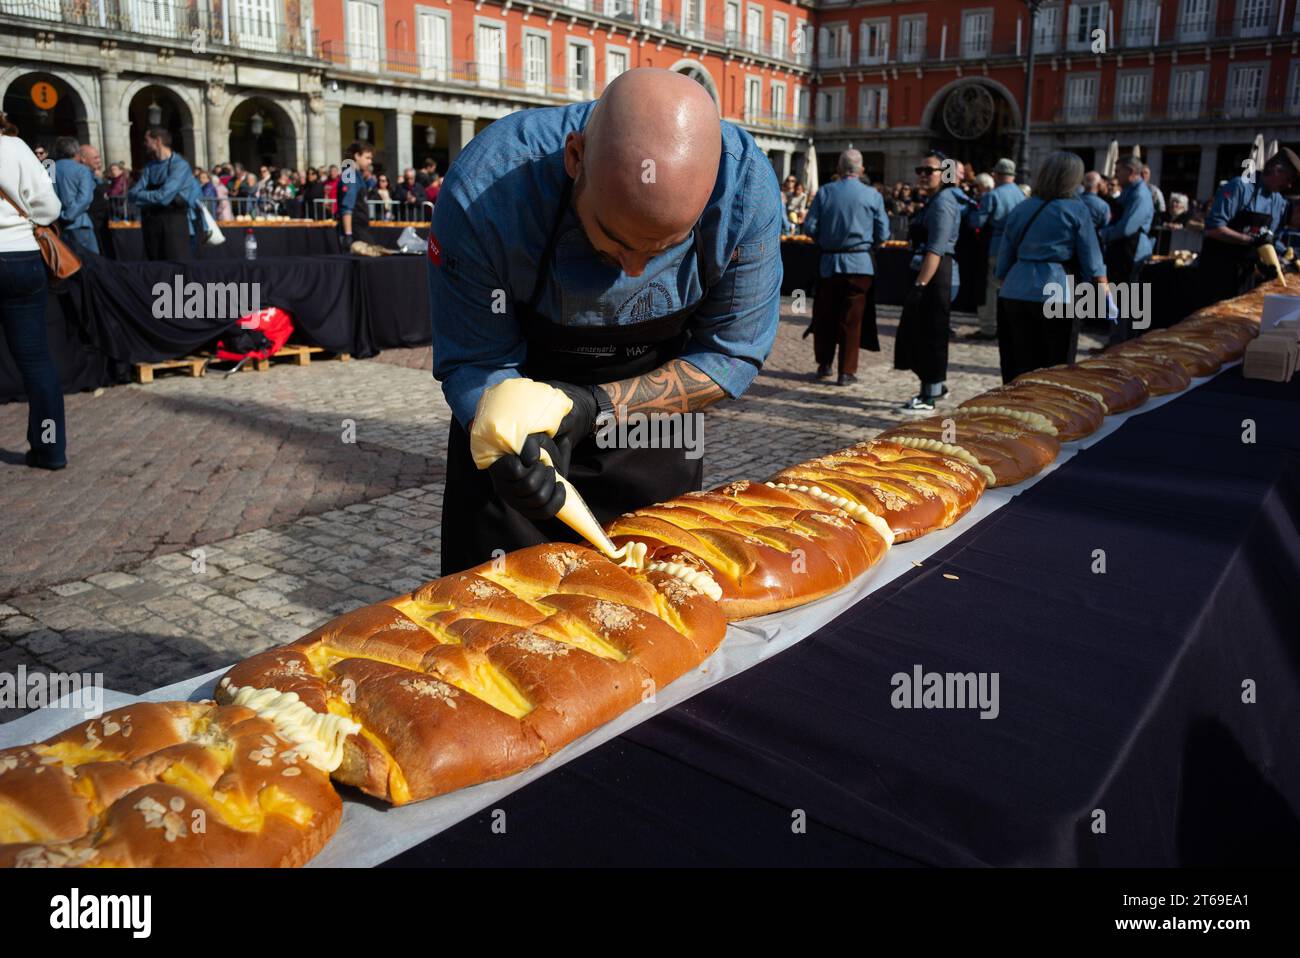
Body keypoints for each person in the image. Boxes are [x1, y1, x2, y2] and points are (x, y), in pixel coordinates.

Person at [429, 67, 781, 575]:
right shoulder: (487, 191)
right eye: (614, 239)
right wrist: (508, 443)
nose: (632, 271)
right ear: (576, 158)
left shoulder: (746, 192)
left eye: (665, 247)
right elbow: (477, 358)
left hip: (651, 439)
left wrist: (596, 407)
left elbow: (731, 354)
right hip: (523, 437)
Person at [994, 151, 1108, 382]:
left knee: (1017, 360)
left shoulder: (1022, 207)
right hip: (1057, 289)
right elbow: (1091, 257)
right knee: (1055, 366)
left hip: (1016, 288)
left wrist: (1004, 278)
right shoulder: (1076, 210)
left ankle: (1015, 407)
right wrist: (1101, 286)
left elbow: (1005, 253)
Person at [0, 112, 66, 469]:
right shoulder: (15, 147)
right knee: (37, 362)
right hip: (20, 257)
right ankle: (50, 448)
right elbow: (50, 206)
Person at [802, 149, 890, 386]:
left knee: (825, 315)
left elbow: (809, 227)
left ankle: (824, 364)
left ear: (839, 170)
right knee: (852, 320)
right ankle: (846, 371)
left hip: (830, 263)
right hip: (860, 264)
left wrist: (825, 240)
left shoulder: (825, 192)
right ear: (862, 170)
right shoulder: (873, 195)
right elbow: (884, 232)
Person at [894, 150, 963, 412]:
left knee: (931, 333)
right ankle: (934, 386)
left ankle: (928, 395)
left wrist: (920, 285)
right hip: (931, 270)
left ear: (943, 174)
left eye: (928, 171)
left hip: (936, 273)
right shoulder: (935, 200)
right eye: (919, 170)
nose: (922, 175)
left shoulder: (944, 202)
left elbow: (936, 249)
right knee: (926, 331)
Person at [1198, 148, 1299, 307]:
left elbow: (1269, 239)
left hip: (1244, 275)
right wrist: (1250, 241)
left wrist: (1288, 256)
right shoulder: (1240, 187)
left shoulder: (1278, 201)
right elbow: (1213, 229)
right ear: (1276, 169)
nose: (1289, 184)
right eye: (1288, 178)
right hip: (1216, 269)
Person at [966, 158, 1025, 341]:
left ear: (997, 175)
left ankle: (989, 327)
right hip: (1016, 248)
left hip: (995, 246)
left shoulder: (993, 195)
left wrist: (970, 213)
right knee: (1010, 287)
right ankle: (1010, 325)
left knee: (990, 288)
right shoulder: (1021, 195)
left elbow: (977, 222)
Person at [1099, 154, 1154, 344]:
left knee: (1126, 299)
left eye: (1118, 171)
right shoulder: (1129, 191)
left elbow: (1127, 227)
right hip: (1122, 252)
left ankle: (1121, 344)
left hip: (1131, 254)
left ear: (1130, 172)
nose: (1115, 175)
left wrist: (1103, 234)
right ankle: (1115, 340)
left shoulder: (1140, 194)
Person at [128, 127, 200, 260]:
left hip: (173, 224)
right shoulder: (150, 166)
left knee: (175, 268)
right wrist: (150, 196)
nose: (144, 144)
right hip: (151, 224)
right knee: (154, 266)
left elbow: (164, 197)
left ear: (158, 141)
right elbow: (131, 194)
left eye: (147, 140)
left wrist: (142, 195)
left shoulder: (180, 165)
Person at [51, 136, 98, 255]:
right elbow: (85, 198)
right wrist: (67, 215)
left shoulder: (51, 168)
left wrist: (61, 216)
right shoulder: (82, 170)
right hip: (79, 222)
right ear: (76, 152)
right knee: (92, 264)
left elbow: (49, 194)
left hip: (58, 224)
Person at [337, 141, 375, 250]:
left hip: (361, 227)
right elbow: (347, 206)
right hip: (355, 229)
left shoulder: (358, 175)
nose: (370, 161)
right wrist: (348, 235)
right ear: (357, 156)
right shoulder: (349, 174)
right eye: (367, 158)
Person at [78, 143, 112, 258]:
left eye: (99, 157)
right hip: (90, 221)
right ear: (83, 159)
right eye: (95, 158)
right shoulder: (82, 174)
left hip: (102, 221)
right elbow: (85, 199)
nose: (99, 161)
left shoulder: (95, 174)